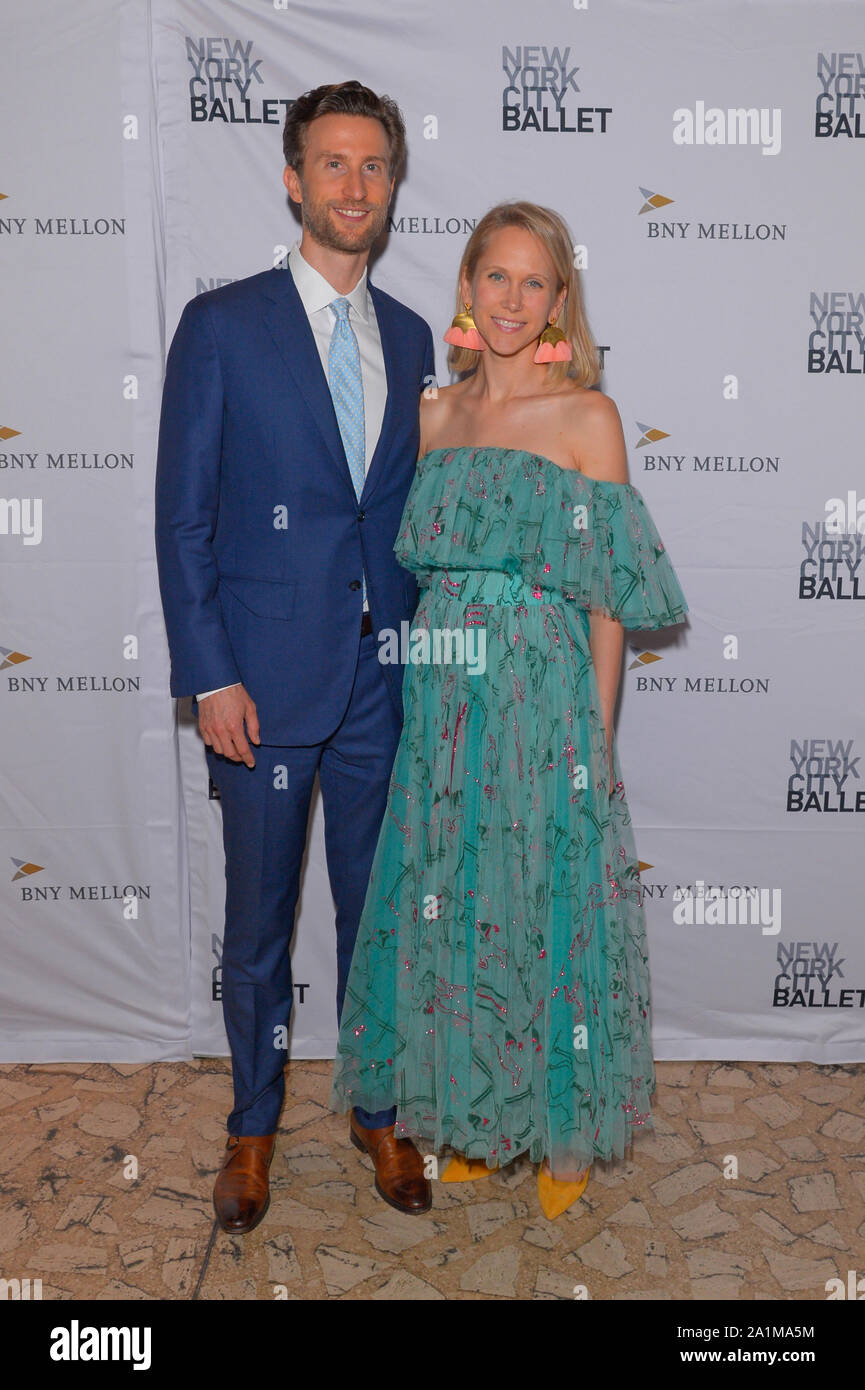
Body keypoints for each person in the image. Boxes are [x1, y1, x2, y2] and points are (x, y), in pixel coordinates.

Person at [330, 200, 689, 1219]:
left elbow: (613, 595)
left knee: (545, 904)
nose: (513, 300)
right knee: (460, 912)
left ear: (560, 301)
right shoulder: (433, 414)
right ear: (467, 287)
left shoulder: (588, 419)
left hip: (544, 699)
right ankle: (487, 1117)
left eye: (536, 283)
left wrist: (599, 736)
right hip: (443, 705)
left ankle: (561, 1130)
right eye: (498, 277)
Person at [155, 80, 435, 1233]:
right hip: (261, 691)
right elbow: (183, 520)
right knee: (260, 923)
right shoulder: (223, 326)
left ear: (390, 184)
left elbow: (413, 516)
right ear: (293, 177)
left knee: (380, 917)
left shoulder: (415, 335)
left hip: (386, 684)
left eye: (371, 166)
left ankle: (376, 1109)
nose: (353, 186)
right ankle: (253, 1125)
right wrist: (211, 672)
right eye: (332, 164)